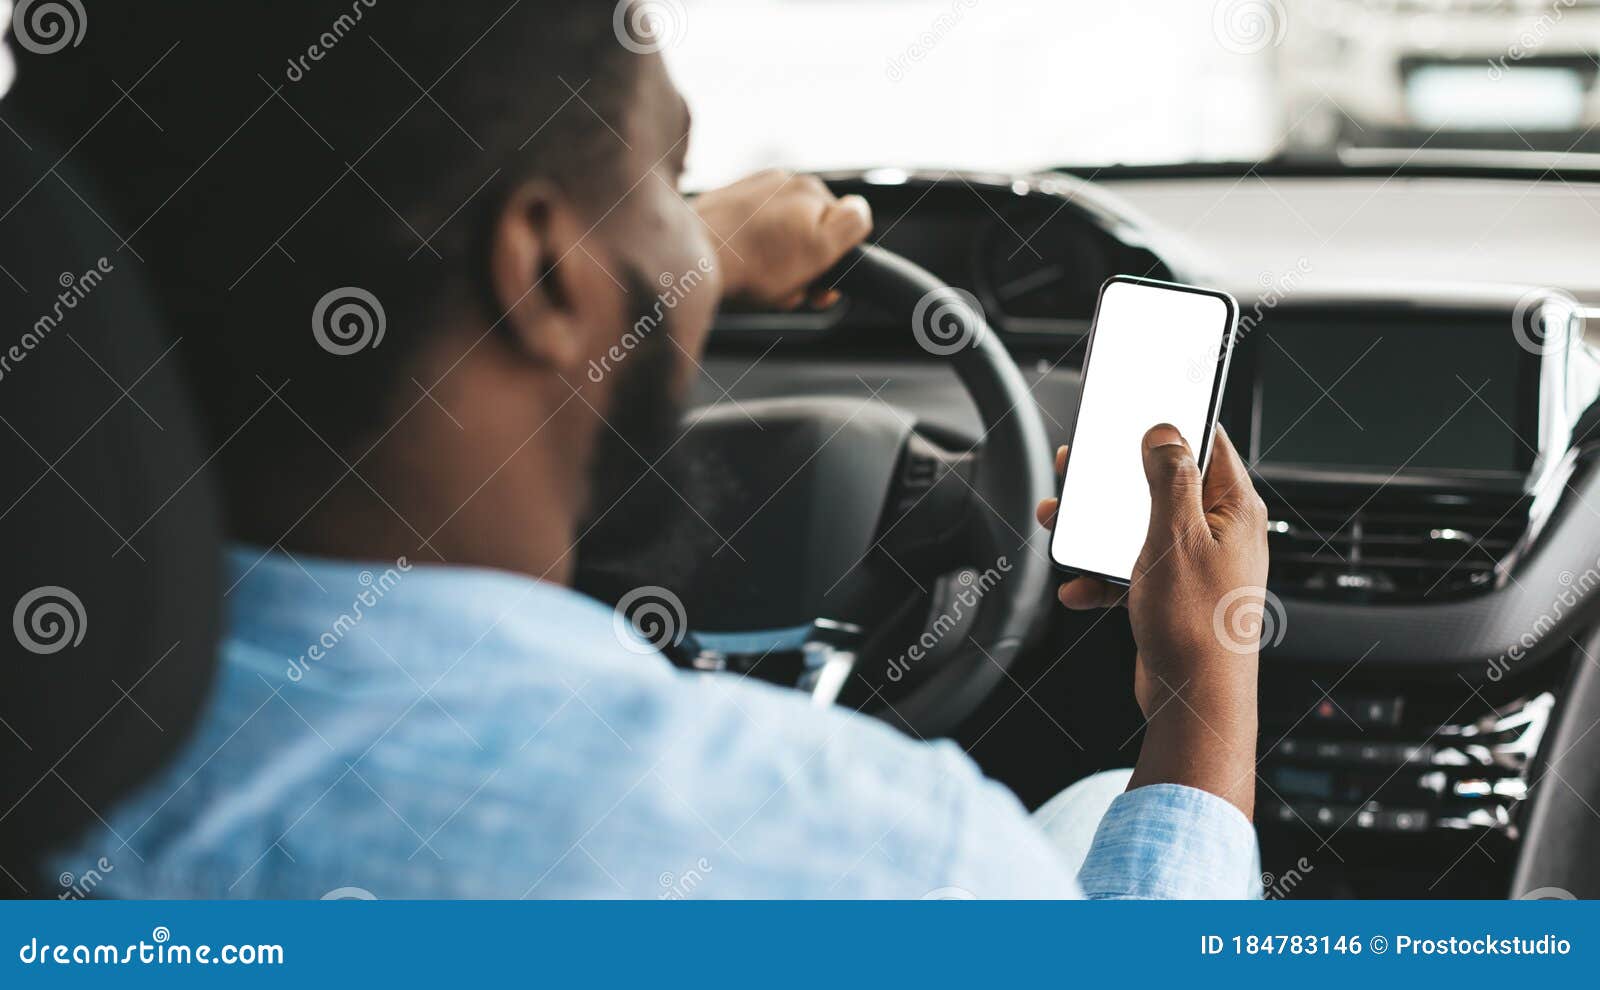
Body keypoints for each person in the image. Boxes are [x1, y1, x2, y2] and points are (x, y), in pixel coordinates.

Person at [11, 1, 1267, 897]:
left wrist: (663, 254)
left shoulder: (58, 717)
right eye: (672, 177)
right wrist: (1201, 706)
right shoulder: (867, 856)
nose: (690, 233)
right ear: (549, 275)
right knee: (1099, 811)